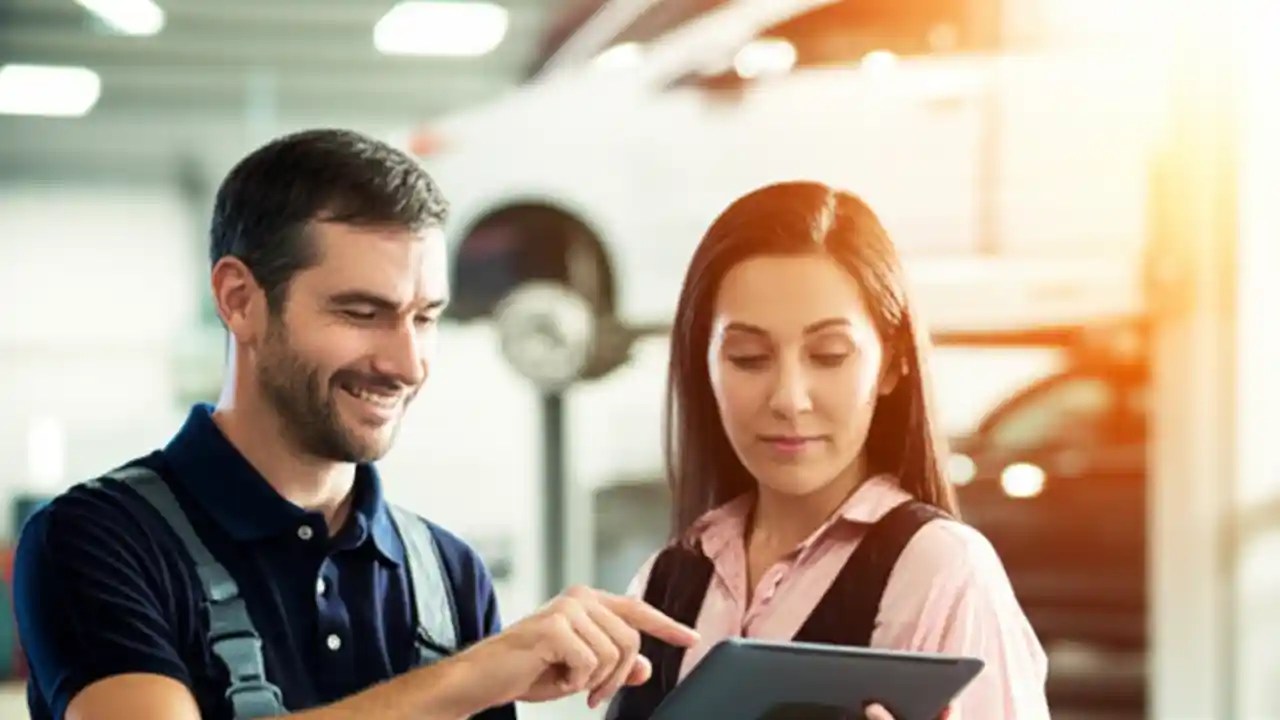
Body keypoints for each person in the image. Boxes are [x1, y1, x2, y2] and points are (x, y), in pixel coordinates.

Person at [12, 128, 698, 720]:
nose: (406, 363)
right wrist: (466, 678)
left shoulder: (449, 575)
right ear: (240, 300)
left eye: (424, 317)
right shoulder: (97, 541)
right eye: (362, 314)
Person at [607, 182, 1051, 720]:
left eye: (830, 354)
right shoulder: (669, 577)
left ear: (892, 363)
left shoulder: (939, 571)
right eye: (748, 357)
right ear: (704, 365)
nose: (789, 399)